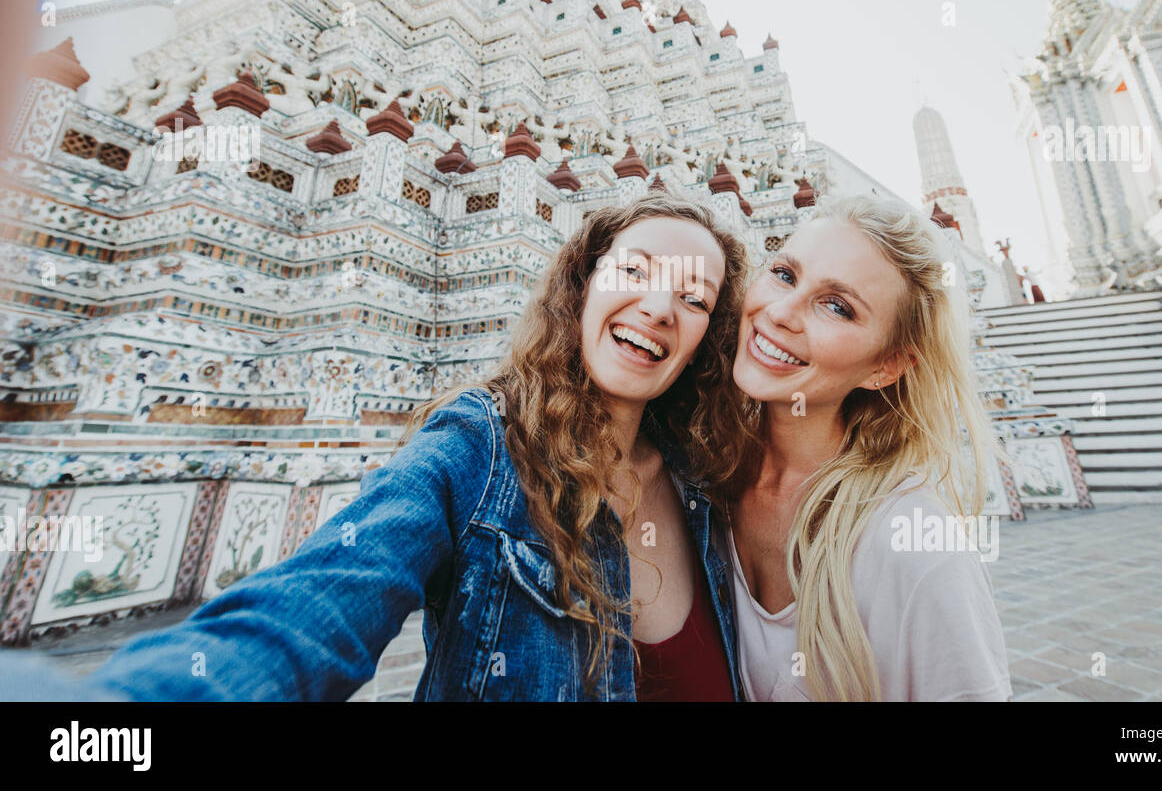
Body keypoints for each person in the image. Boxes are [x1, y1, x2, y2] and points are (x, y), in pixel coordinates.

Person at [6, 194, 753, 702]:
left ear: (707, 339)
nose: (660, 306)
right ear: (584, 282)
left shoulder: (706, 486)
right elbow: (320, 602)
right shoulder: (482, 448)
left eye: (694, 298)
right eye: (637, 270)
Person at [722, 194, 1012, 702]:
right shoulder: (703, 485)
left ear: (887, 366)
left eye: (837, 306)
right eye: (785, 274)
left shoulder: (916, 545)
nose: (781, 312)